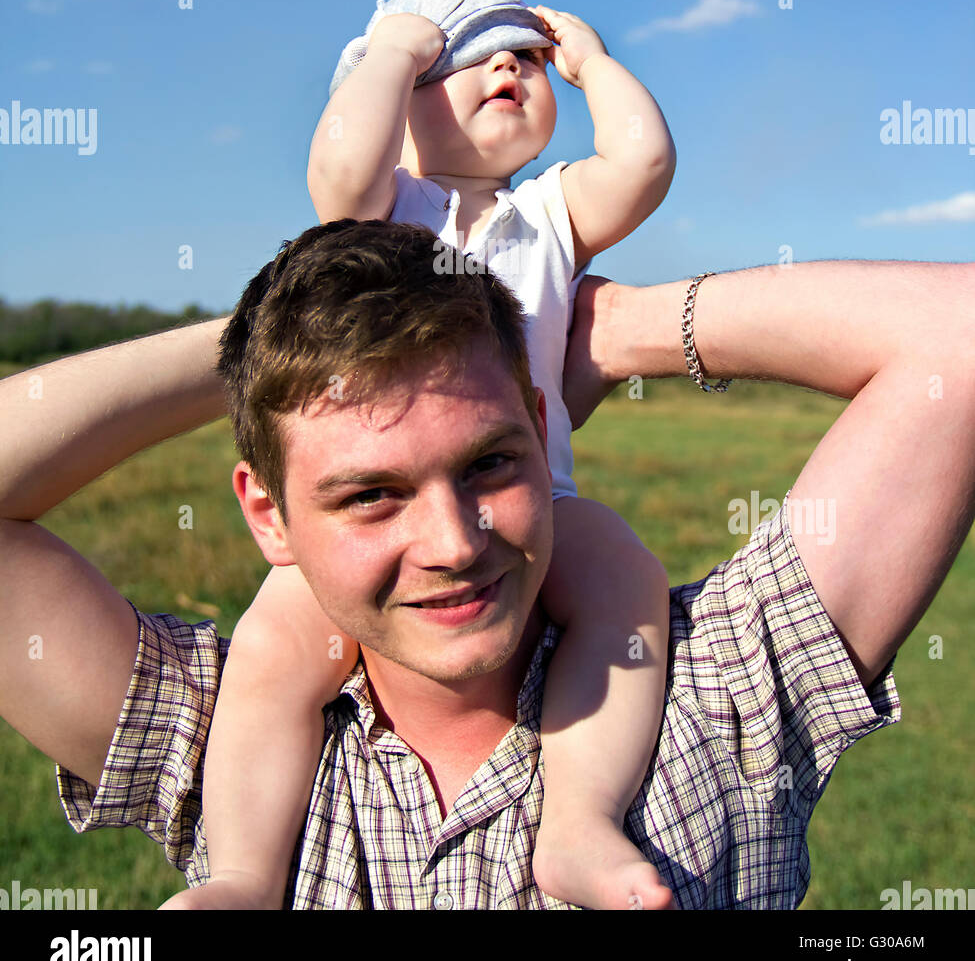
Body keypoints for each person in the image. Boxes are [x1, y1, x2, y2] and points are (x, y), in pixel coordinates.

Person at [0, 221, 972, 909]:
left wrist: (615, 326)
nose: (456, 542)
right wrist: (258, 348)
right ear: (270, 514)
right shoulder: (232, 738)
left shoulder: (719, 689)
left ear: (542, 434)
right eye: (370, 493)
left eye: (490, 463)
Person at [181, 0, 679, 912]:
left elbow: (644, 164)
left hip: (536, 499)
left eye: (525, 56)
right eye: (463, 55)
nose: (508, 65)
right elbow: (333, 168)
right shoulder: (386, 210)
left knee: (622, 577)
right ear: (393, 102)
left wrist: (594, 63)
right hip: (386, 512)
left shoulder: (547, 213)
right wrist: (395, 47)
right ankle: (243, 872)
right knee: (275, 647)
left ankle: (576, 822)